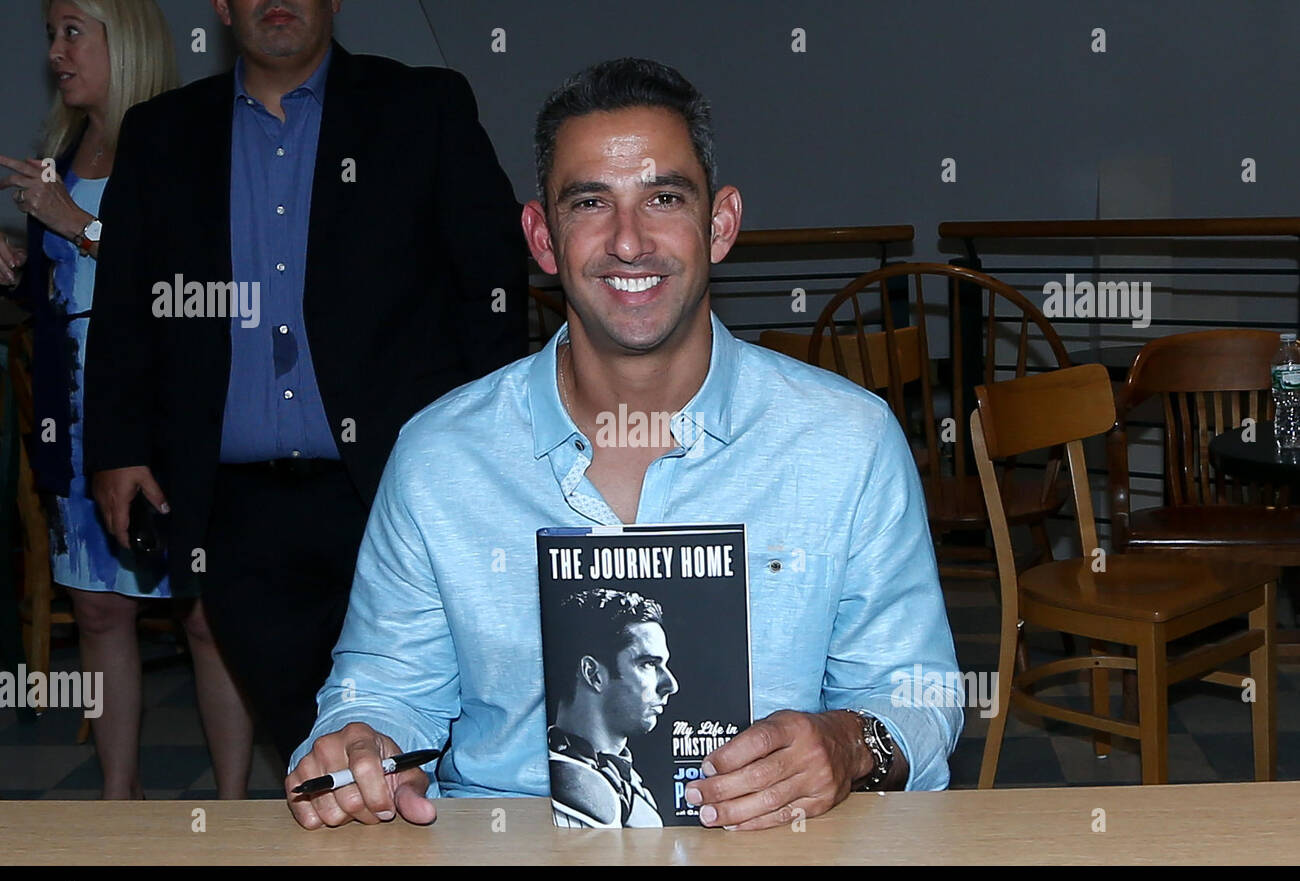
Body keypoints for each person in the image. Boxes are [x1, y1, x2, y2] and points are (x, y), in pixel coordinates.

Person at [286, 57, 963, 831]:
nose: (629, 241)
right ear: (541, 239)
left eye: (665, 198)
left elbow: (917, 692)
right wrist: (361, 745)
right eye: (590, 203)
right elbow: (385, 686)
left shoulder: (847, 442)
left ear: (720, 224)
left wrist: (845, 746)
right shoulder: (440, 457)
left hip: (768, 847)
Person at [82, 0, 529, 762]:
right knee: (302, 739)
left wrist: (489, 448)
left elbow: (491, 288)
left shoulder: (423, 108)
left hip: (400, 493)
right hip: (237, 506)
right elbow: (125, 305)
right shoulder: (164, 133)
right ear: (222, 6)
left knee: (431, 727)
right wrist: (117, 446)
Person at [0, 0, 253, 799]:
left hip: (166, 411)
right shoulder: (62, 148)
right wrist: (19, 251)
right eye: (50, 35)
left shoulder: (183, 141)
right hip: (75, 411)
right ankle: (119, 799)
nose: (56, 52)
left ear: (126, 41)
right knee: (100, 612)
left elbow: (195, 278)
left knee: (205, 618)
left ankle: (232, 797)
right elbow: (71, 280)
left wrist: (74, 223)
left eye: (73, 31)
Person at [545, 588, 677, 828]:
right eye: (648, 664)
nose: (671, 685)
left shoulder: (633, 788)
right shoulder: (553, 782)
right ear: (593, 674)